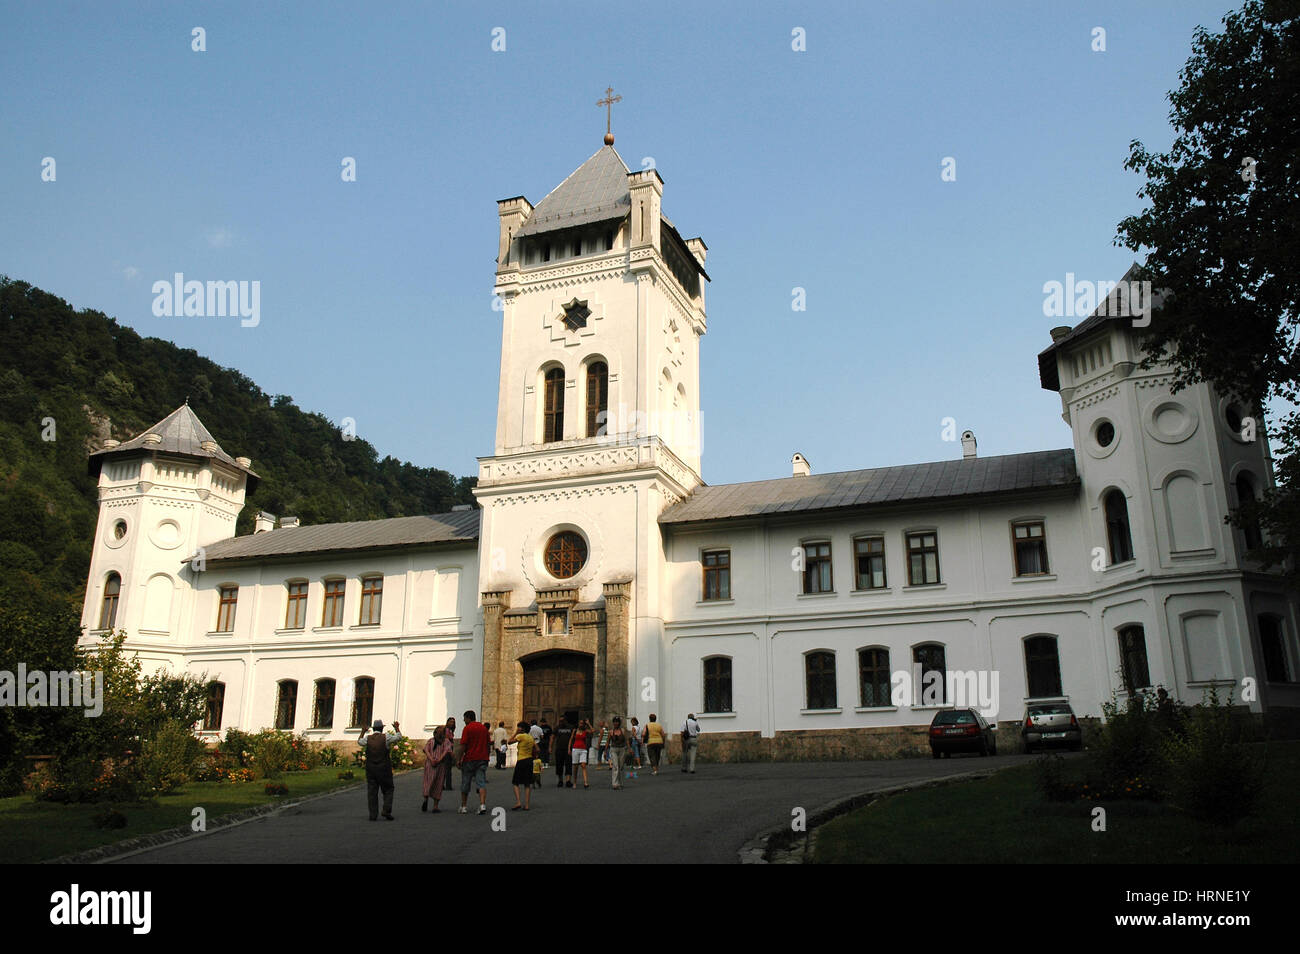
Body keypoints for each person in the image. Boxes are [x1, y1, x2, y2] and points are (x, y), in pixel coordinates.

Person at [358, 718, 403, 820]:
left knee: (372, 791)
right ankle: (386, 810)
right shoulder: (386, 737)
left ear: (374, 729)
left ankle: (373, 815)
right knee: (388, 789)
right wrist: (397, 728)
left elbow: (360, 742)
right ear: (382, 728)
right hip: (384, 768)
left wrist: (363, 732)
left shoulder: (368, 738)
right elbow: (399, 737)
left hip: (371, 769)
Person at [458, 710, 490, 815]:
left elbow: (463, 745)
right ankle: (482, 805)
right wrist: (487, 757)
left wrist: (459, 758)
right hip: (482, 758)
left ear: (468, 718)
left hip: (469, 759)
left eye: (464, 718)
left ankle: (463, 806)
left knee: (465, 782)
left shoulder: (467, 728)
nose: (463, 720)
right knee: (481, 783)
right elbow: (488, 744)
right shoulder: (484, 728)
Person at [421, 725, 452, 813]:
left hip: (431, 764)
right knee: (438, 783)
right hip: (439, 764)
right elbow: (446, 751)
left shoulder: (431, 741)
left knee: (428, 782)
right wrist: (438, 760)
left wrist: (432, 760)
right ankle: (435, 806)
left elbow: (426, 750)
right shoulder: (445, 741)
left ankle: (426, 799)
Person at [511, 721, 535, 810]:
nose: (518, 729)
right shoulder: (530, 737)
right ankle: (527, 805)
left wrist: (515, 733)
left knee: (515, 782)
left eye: (519, 727)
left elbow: (509, 742)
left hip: (521, 760)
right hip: (529, 760)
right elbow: (537, 749)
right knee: (527, 784)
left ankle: (518, 802)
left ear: (522, 728)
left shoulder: (520, 736)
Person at [607, 716, 630, 789]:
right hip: (613, 749)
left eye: (617, 722)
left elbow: (627, 740)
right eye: (615, 722)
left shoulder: (623, 731)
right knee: (615, 766)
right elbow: (608, 742)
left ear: (619, 723)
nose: (616, 723)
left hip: (622, 749)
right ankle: (615, 784)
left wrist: (629, 748)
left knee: (621, 766)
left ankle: (620, 782)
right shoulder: (611, 732)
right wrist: (605, 752)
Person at [570, 718, 592, 789]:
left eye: (582, 723)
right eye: (580, 723)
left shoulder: (585, 731)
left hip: (583, 749)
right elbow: (571, 739)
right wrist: (569, 748)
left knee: (583, 765)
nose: (581, 724)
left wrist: (588, 723)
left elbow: (593, 731)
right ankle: (575, 782)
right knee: (575, 767)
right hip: (575, 749)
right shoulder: (575, 730)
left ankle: (585, 782)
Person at [553, 716, 574, 787]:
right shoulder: (557, 728)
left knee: (568, 764)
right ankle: (560, 780)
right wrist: (550, 747)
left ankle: (568, 780)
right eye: (560, 721)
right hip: (559, 748)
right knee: (559, 765)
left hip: (568, 749)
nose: (561, 722)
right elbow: (552, 737)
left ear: (565, 721)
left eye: (562, 721)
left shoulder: (570, 727)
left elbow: (573, 737)